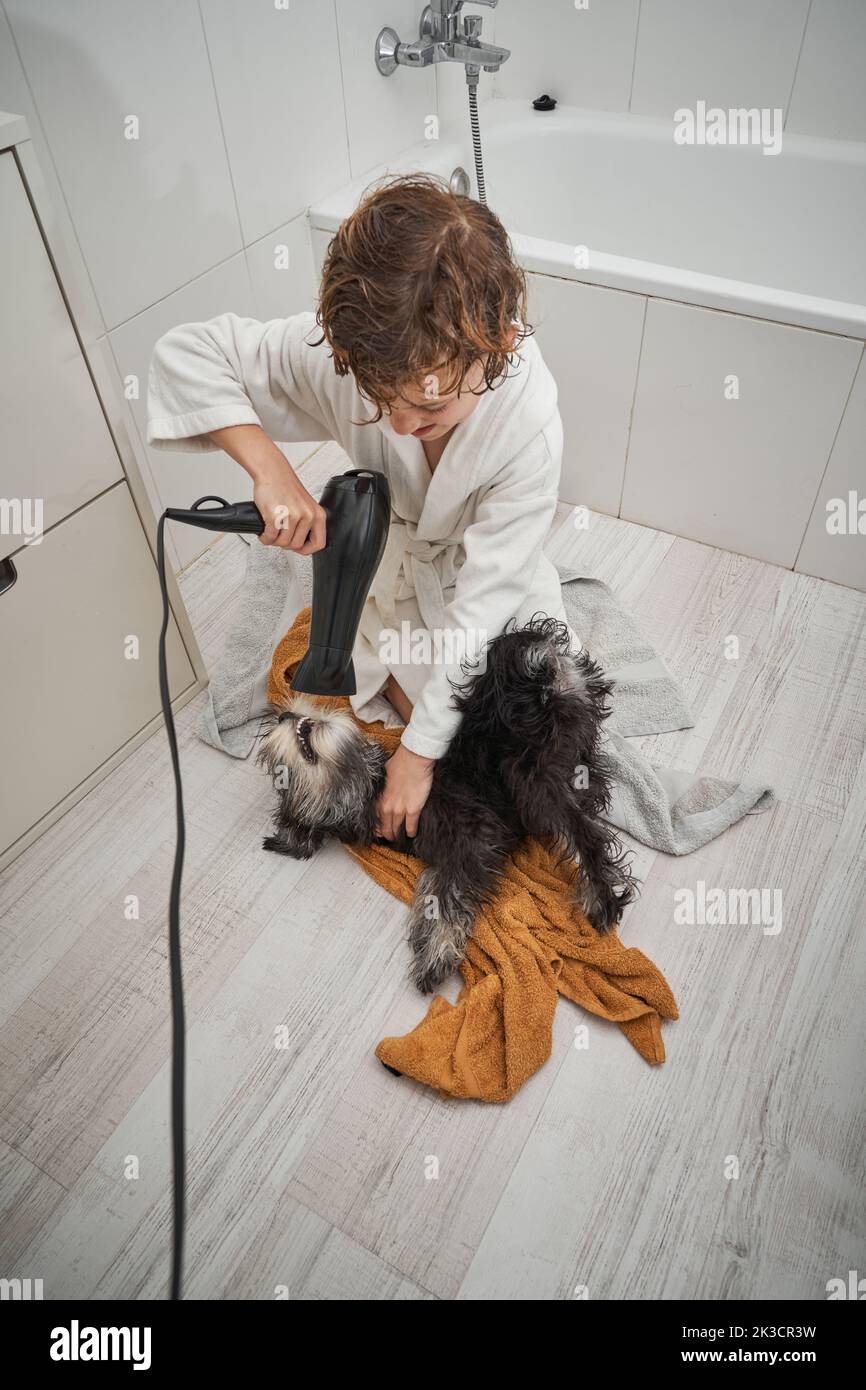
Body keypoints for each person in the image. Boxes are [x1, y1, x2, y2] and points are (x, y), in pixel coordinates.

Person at [147, 172, 574, 843]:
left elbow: (483, 606)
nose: (400, 425)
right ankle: (410, 705)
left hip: (486, 586)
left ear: (503, 342)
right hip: (392, 571)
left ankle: (425, 721)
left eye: (430, 406)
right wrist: (272, 471)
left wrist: (416, 755)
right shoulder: (356, 352)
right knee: (451, 751)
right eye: (382, 400)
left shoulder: (527, 432)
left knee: (530, 729)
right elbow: (187, 353)